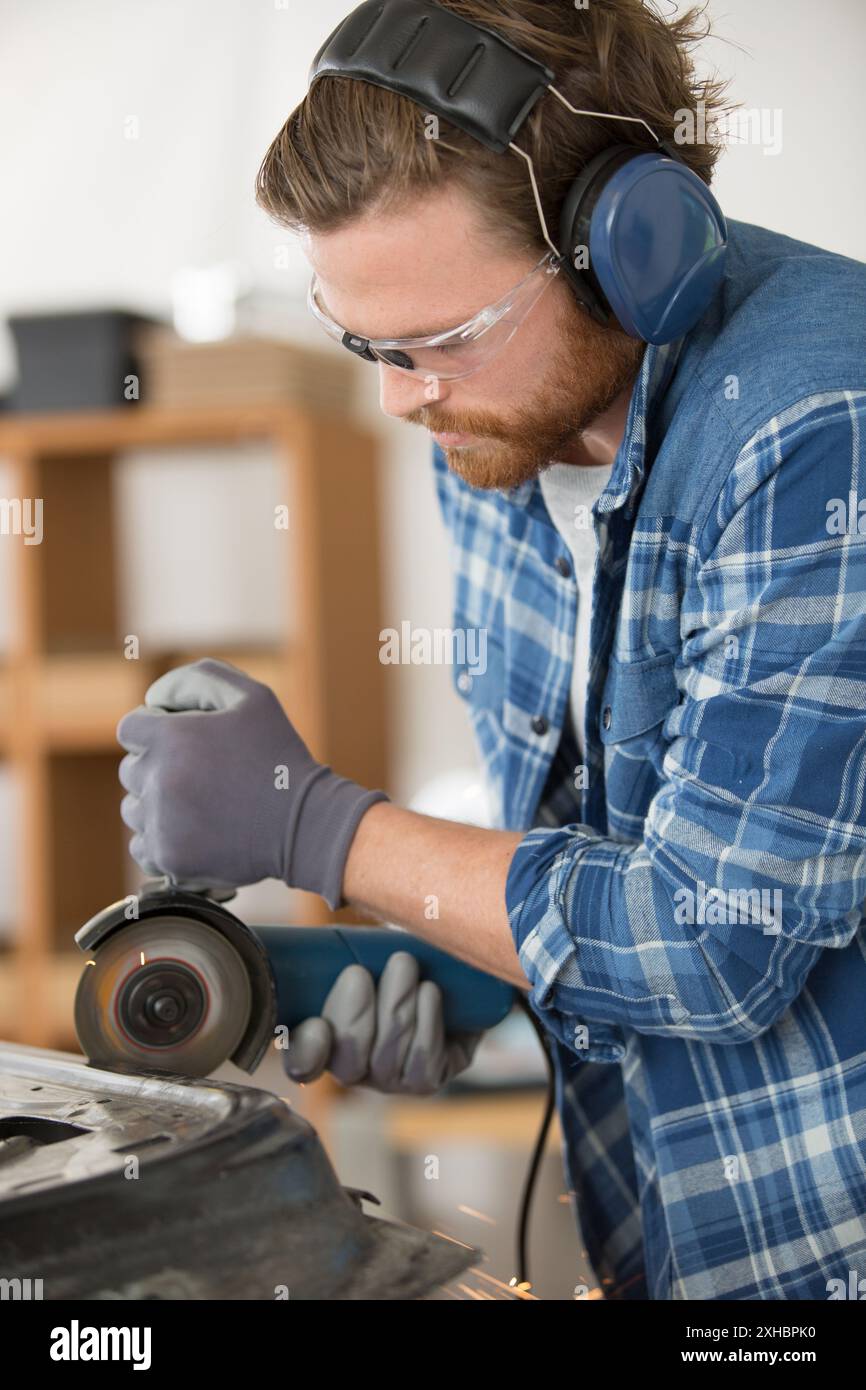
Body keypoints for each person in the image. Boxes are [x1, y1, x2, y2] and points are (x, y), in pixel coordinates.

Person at [117, 0, 866, 1300]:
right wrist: (455, 967)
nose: (403, 396)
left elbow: (707, 937)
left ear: (635, 248)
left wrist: (322, 830)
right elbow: (595, 859)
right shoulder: (492, 436)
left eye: (443, 339)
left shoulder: (816, 431)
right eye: (369, 345)